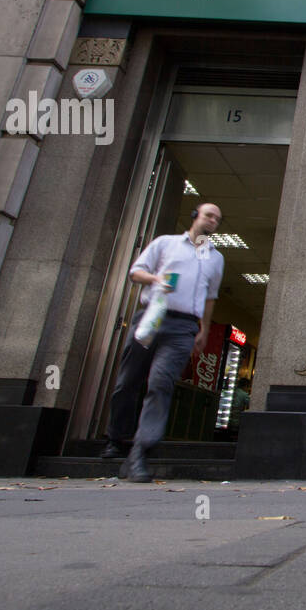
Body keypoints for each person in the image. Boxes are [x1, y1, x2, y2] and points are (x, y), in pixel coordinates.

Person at [103, 203, 225, 482]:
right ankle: (116, 438)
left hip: (183, 327)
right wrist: (156, 278)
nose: (212, 221)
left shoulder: (215, 258)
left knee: (160, 384)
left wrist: (204, 330)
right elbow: (136, 272)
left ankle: (139, 453)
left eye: (217, 219)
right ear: (195, 216)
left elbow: (210, 297)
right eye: (208, 215)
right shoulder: (165, 244)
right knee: (128, 381)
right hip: (152, 317)